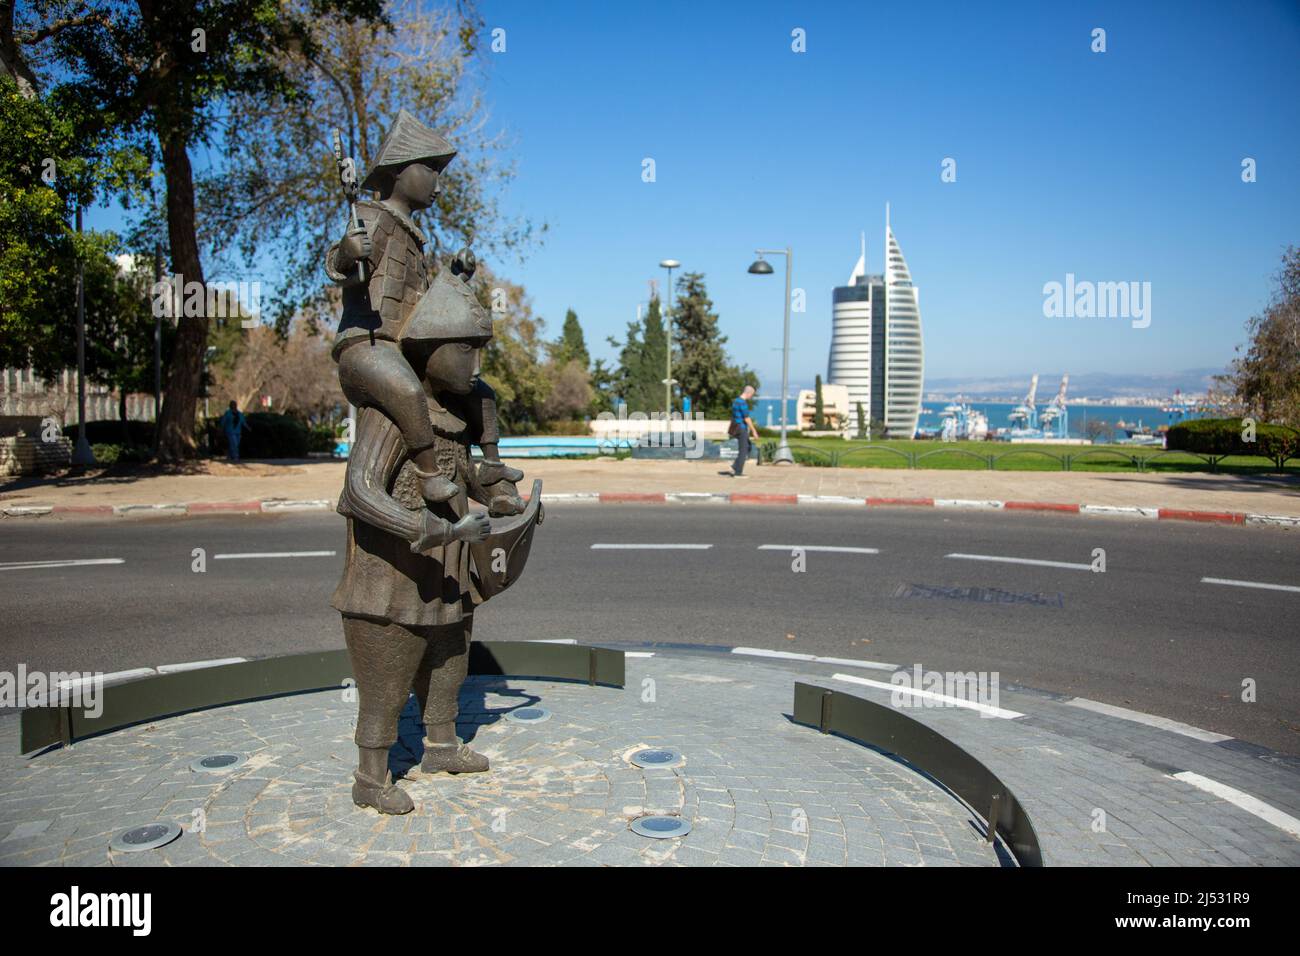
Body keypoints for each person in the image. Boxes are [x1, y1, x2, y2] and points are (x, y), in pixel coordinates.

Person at [325, 109, 523, 516]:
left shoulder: (414, 237)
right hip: (367, 347)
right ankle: (429, 474)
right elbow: (338, 267)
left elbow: (420, 305)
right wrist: (347, 254)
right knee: (409, 391)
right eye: (430, 170)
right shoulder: (371, 218)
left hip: (399, 349)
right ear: (398, 171)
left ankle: (491, 465)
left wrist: (453, 275)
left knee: (478, 390)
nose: (437, 182)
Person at [729, 385, 760, 477]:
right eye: (752, 394)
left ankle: (735, 465)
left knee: (748, 446)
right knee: (744, 449)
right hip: (741, 428)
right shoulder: (742, 403)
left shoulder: (735, 401)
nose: (751, 396)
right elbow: (746, 418)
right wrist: (754, 431)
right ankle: (738, 472)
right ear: (748, 393)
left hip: (736, 427)